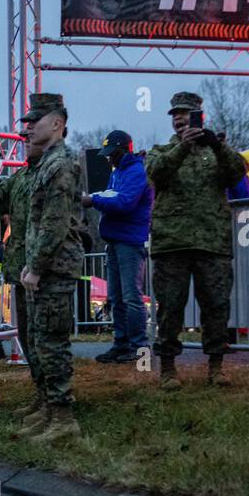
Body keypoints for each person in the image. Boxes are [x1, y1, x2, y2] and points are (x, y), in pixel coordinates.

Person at [145, 93, 248, 390]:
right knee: (170, 307)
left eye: (186, 114)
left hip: (212, 243)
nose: (179, 119)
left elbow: (238, 172)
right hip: (172, 243)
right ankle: (168, 368)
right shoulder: (161, 150)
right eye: (175, 115)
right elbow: (156, 172)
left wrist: (217, 145)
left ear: (199, 117)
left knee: (216, 306)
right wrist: (183, 146)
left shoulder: (216, 152)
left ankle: (216, 367)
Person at [18, 93, 87, 440]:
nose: (28, 127)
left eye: (36, 121)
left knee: (52, 342)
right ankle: (49, 407)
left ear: (57, 124)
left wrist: (37, 266)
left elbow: (55, 224)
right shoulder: (48, 161)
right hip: (44, 267)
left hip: (55, 268)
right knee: (39, 339)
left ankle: (63, 418)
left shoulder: (61, 163)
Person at [0, 126, 43, 417]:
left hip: (43, 270)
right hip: (21, 269)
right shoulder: (22, 177)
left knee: (44, 337)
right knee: (27, 335)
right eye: (23, 139)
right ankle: (43, 395)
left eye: (29, 137)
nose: (26, 143)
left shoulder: (52, 172)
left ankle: (56, 401)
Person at [83, 129, 152, 364]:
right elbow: (114, 198)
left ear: (125, 150)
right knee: (116, 297)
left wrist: (94, 199)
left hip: (130, 242)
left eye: (112, 154)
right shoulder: (119, 172)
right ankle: (121, 343)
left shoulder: (136, 171)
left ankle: (139, 346)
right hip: (115, 240)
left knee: (132, 296)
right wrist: (101, 199)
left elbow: (125, 202)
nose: (109, 158)